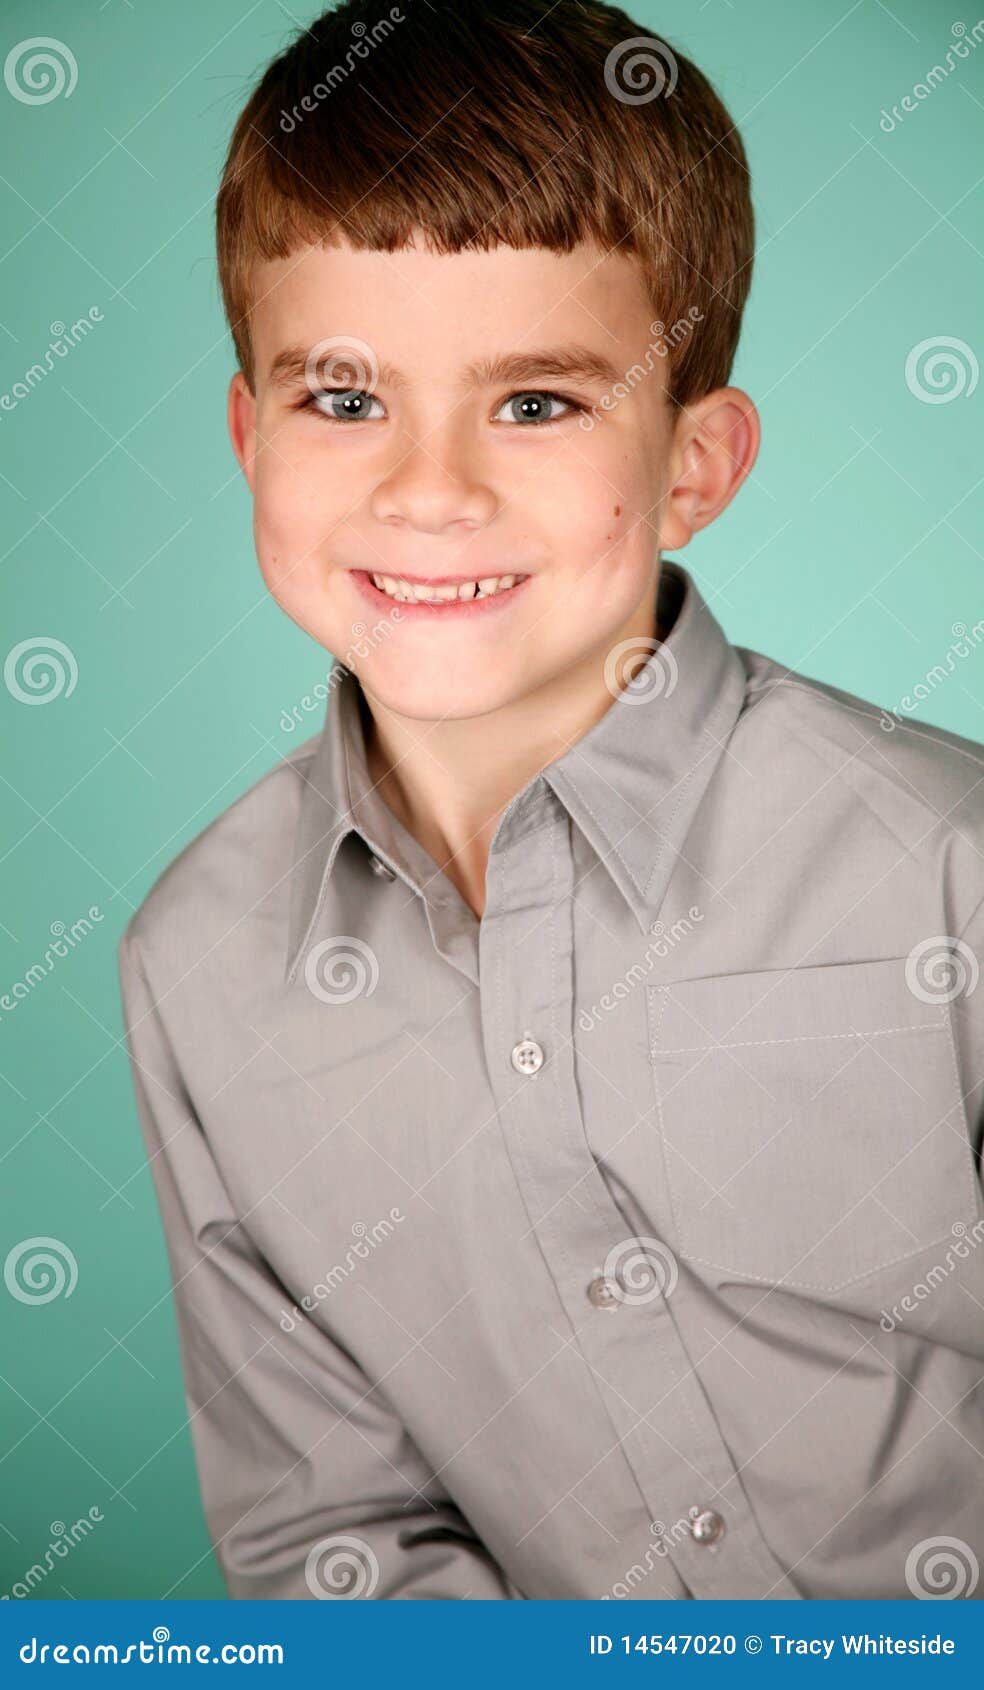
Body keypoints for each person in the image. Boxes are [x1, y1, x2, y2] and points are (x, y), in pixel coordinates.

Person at [117, 0, 984, 1601]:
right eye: (343, 397)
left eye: (535, 402)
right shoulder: (198, 963)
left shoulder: (948, 870)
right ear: (248, 439)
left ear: (693, 467)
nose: (429, 488)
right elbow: (336, 1539)